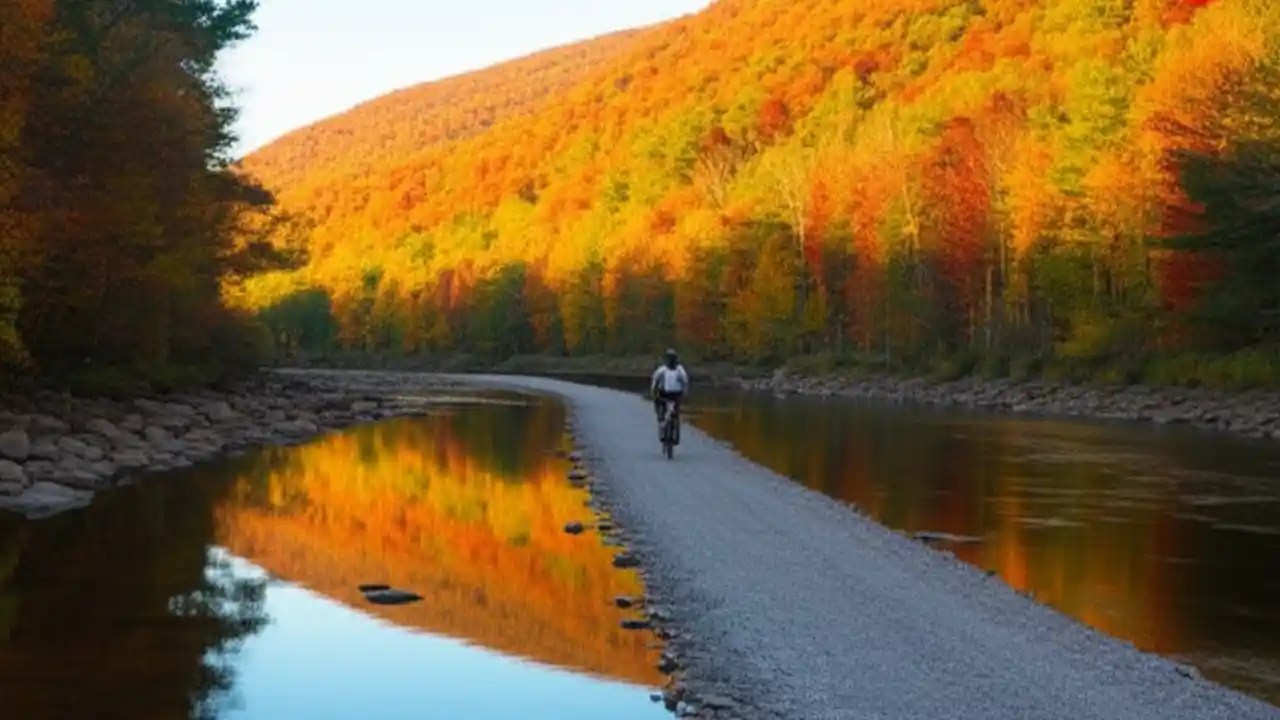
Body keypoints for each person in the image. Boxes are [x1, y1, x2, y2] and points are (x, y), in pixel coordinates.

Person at [650, 348, 689, 426]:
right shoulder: (679, 369)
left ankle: (661, 416)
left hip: (666, 393)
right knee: (676, 403)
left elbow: (655, 378)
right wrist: (685, 391)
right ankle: (672, 414)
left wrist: (653, 389)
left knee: (658, 400)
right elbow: (685, 380)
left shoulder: (663, 369)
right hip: (677, 393)